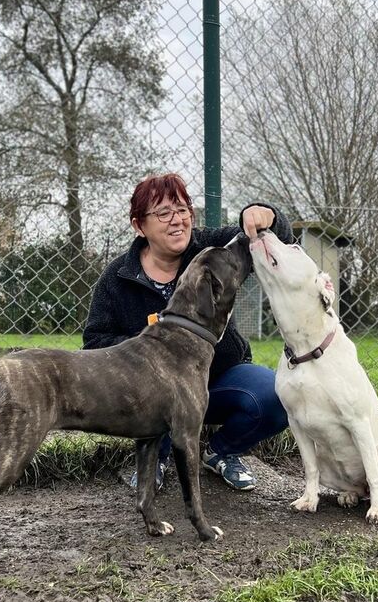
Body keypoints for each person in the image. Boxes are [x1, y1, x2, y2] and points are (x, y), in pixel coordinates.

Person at [82, 173, 296, 492]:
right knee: (161, 386)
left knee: (277, 395)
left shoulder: (211, 247)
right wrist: (150, 347)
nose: (177, 221)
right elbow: (94, 345)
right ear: (139, 225)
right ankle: (154, 458)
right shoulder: (118, 278)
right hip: (155, 391)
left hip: (218, 378)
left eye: (183, 210)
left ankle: (221, 452)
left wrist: (265, 214)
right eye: (164, 213)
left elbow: (274, 239)